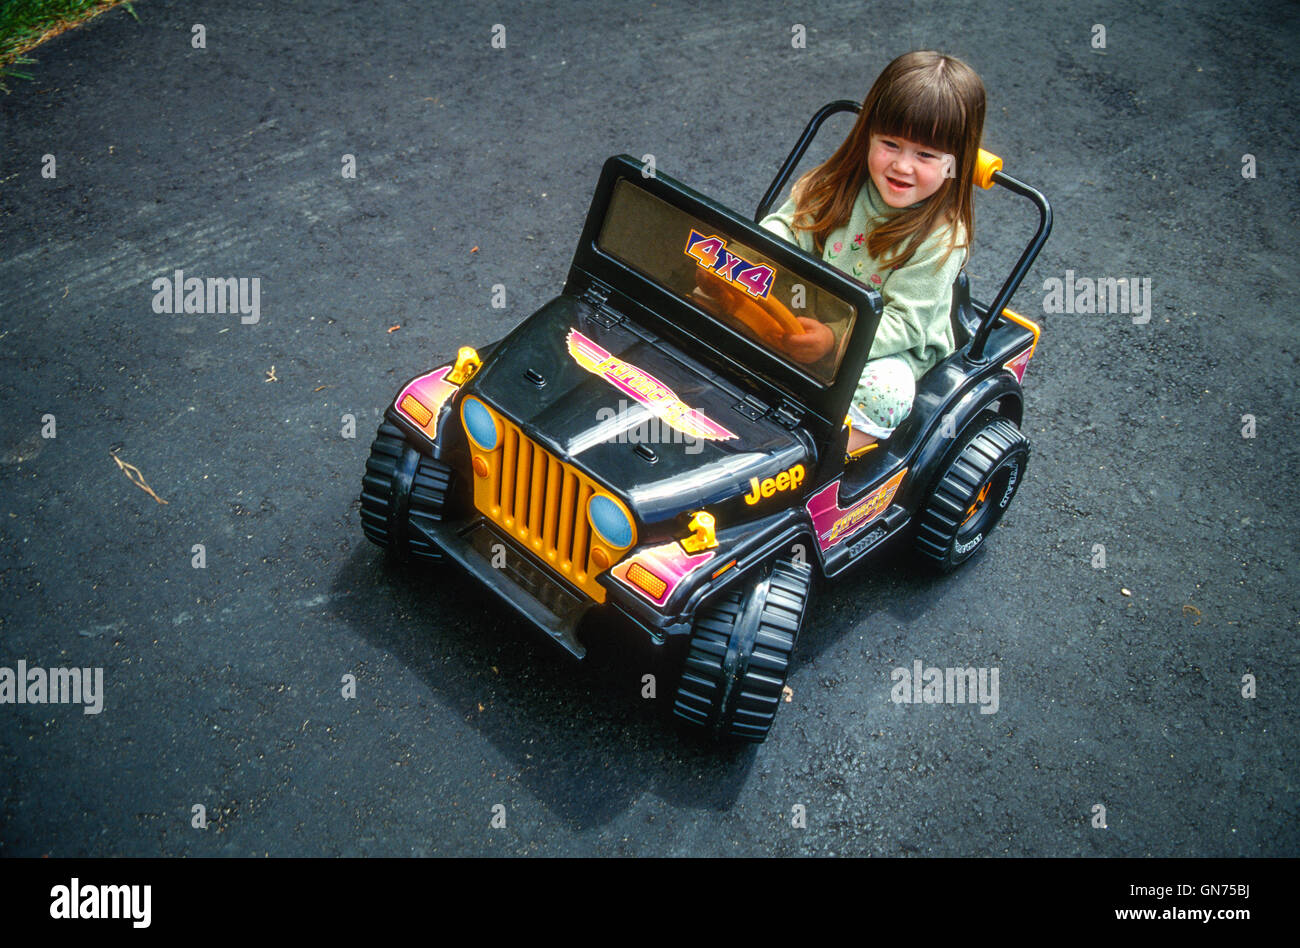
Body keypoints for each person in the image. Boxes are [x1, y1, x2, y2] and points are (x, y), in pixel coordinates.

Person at [758, 50, 986, 445]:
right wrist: (752, 254)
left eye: (925, 155)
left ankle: (824, 465)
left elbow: (905, 323)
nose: (902, 165)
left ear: (955, 163)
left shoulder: (942, 239)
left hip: (883, 347)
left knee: (889, 392)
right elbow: (787, 228)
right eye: (891, 144)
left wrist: (835, 341)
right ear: (868, 134)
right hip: (806, 314)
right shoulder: (836, 183)